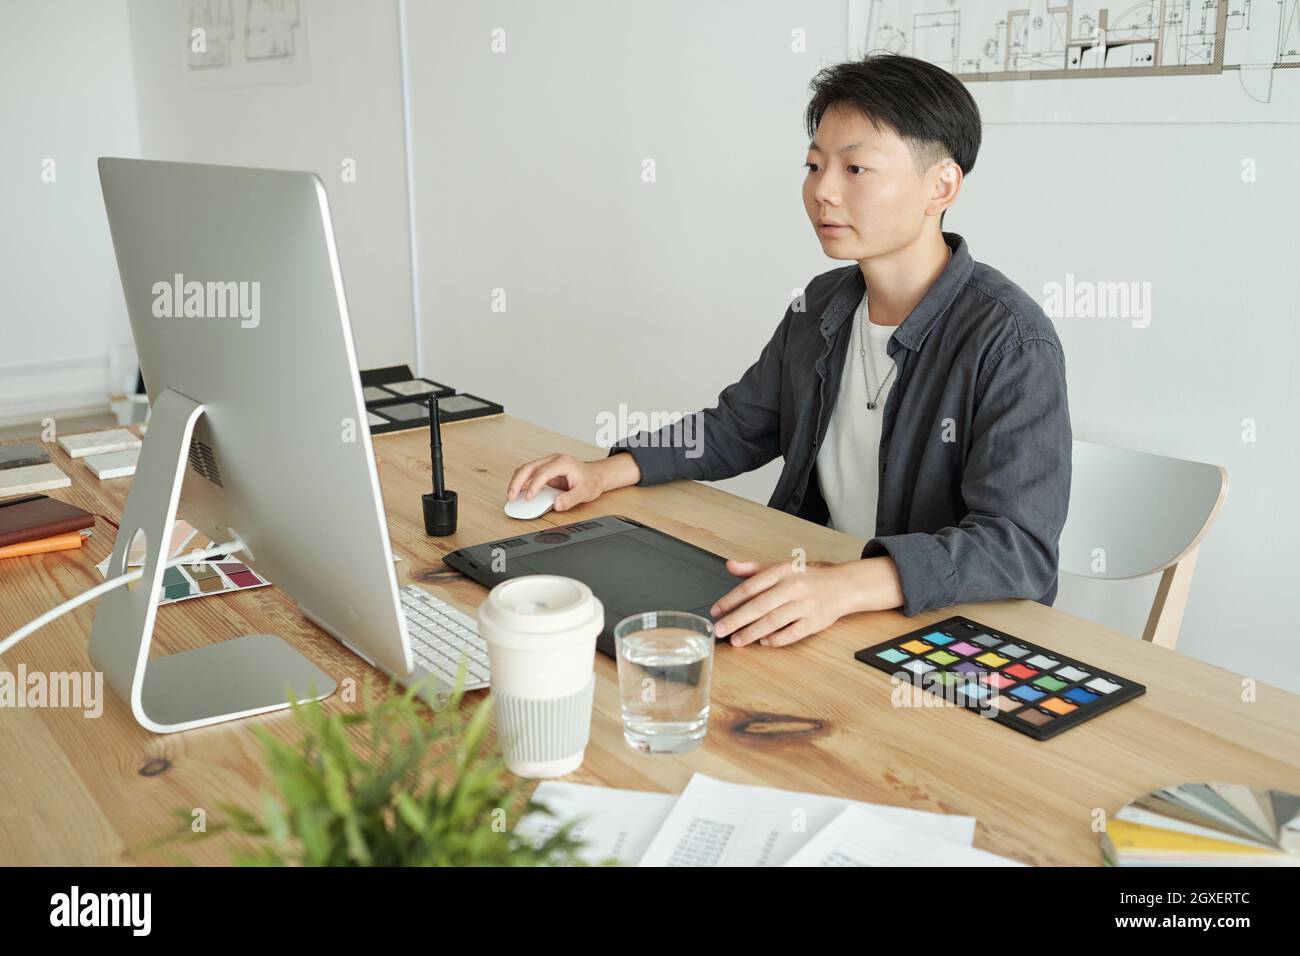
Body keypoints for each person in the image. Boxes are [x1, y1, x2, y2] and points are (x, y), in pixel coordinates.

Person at [506, 54, 1071, 649]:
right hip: (821, 595)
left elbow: (1019, 548)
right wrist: (604, 472)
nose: (822, 191)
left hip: (938, 631)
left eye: (855, 168)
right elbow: (741, 425)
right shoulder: (824, 303)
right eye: (814, 165)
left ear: (941, 186)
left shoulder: (1011, 339)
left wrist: (846, 586)